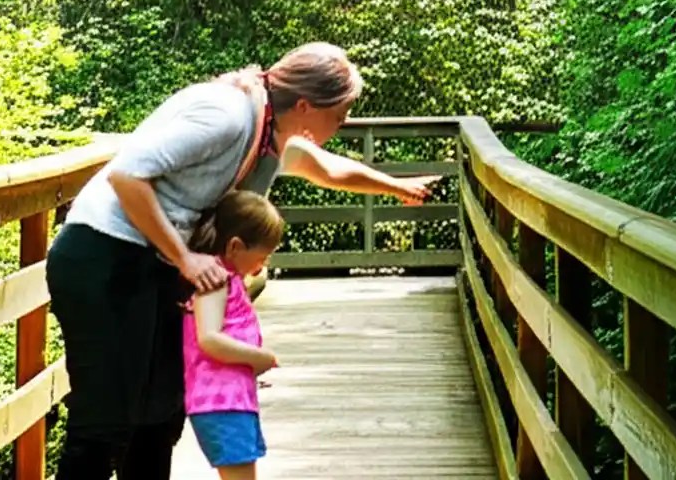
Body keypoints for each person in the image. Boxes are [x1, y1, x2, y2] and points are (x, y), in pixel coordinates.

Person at [45, 42, 435, 479]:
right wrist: (185, 257)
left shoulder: (271, 131)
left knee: (160, 416)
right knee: (104, 423)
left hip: (154, 265)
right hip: (103, 255)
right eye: (339, 116)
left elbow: (326, 169)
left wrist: (398, 187)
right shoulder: (228, 116)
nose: (341, 126)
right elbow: (126, 174)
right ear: (306, 105)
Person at [183, 191, 284, 480]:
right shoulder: (216, 281)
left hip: (233, 400)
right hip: (221, 403)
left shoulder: (231, 280)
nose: (262, 266)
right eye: (261, 257)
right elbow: (209, 338)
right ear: (235, 246)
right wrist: (259, 357)